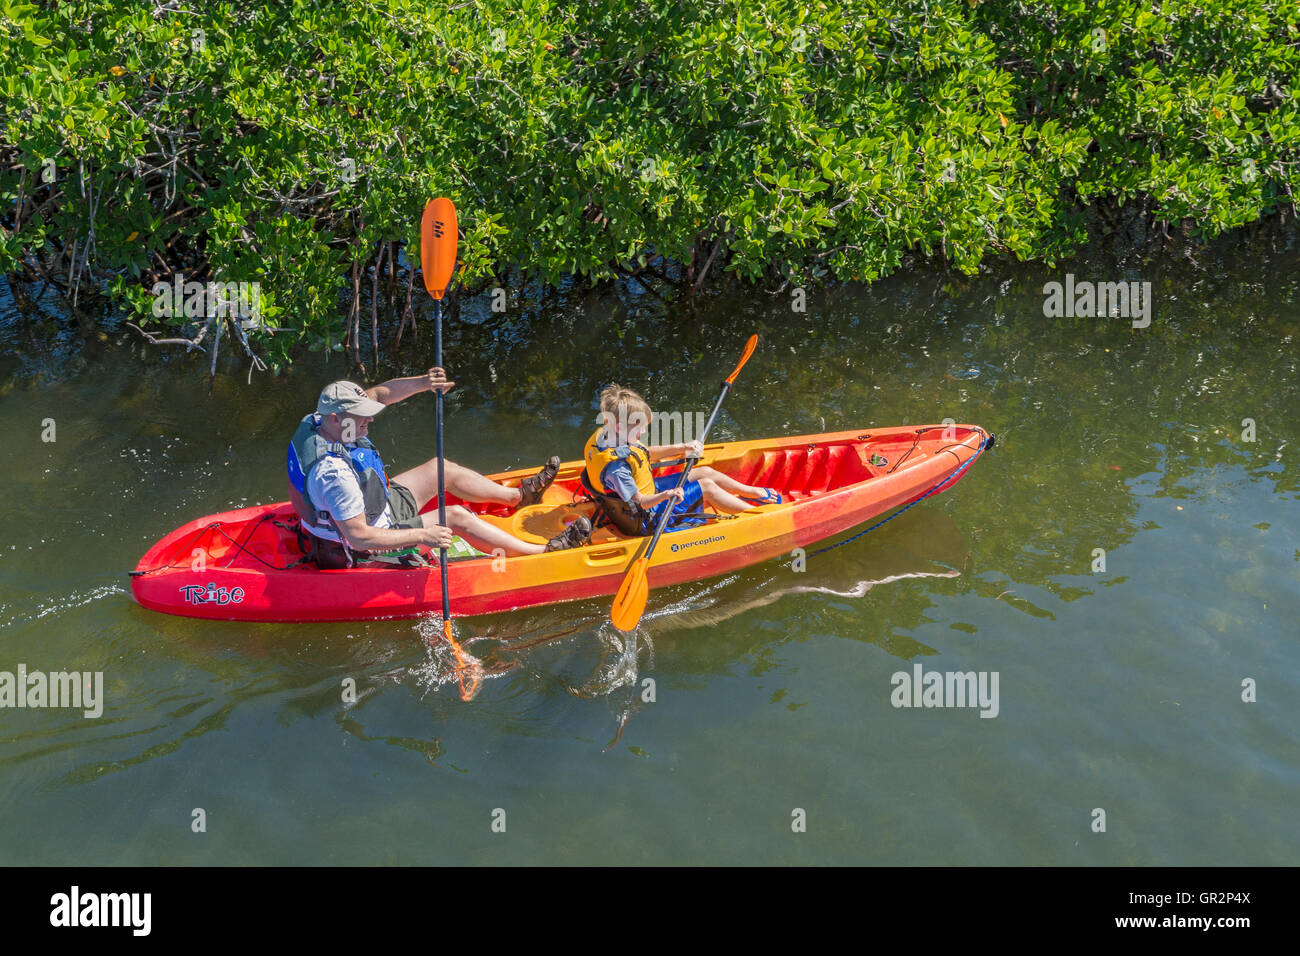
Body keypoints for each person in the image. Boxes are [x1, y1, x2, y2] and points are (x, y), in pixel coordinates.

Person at [287, 369, 591, 568]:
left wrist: (423, 384)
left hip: (374, 506)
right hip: (362, 544)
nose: (371, 420)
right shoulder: (334, 475)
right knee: (454, 517)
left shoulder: (322, 418)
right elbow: (359, 537)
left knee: (440, 468)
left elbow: (379, 395)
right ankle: (542, 555)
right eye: (361, 416)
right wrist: (424, 535)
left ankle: (518, 497)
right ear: (336, 419)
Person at [580, 384, 781, 536]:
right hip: (645, 517)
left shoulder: (607, 436)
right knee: (706, 486)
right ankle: (765, 518)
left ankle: (751, 492)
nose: (643, 431)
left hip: (644, 496)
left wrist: (683, 447)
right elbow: (641, 503)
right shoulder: (617, 469)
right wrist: (666, 495)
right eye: (640, 426)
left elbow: (642, 453)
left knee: (704, 473)